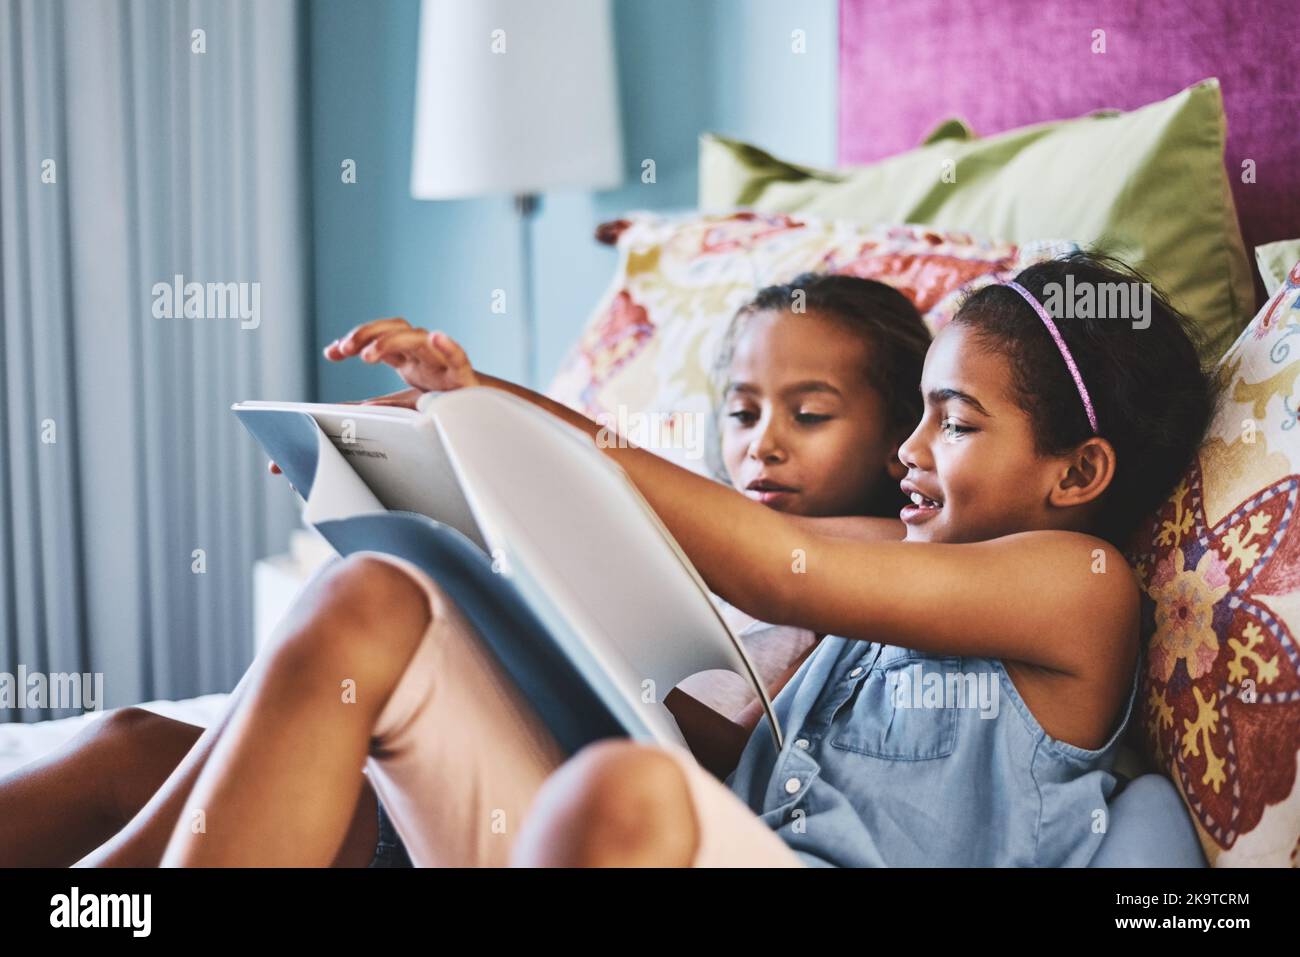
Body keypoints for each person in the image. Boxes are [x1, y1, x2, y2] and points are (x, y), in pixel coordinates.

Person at [152, 250, 1219, 867]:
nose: (907, 450)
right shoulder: (898, 557)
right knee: (374, 600)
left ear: (1076, 475)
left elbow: (767, 563)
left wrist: (493, 409)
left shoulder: (1075, 589)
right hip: (706, 846)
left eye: (953, 423)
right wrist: (454, 437)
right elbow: (692, 611)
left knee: (625, 796)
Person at [0, 274, 929, 868]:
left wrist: (487, 412)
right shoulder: (721, 541)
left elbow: (731, 766)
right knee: (129, 744)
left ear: (901, 440)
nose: (761, 444)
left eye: (808, 416)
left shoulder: (885, 574)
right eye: (742, 411)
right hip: (445, 759)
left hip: (517, 812)